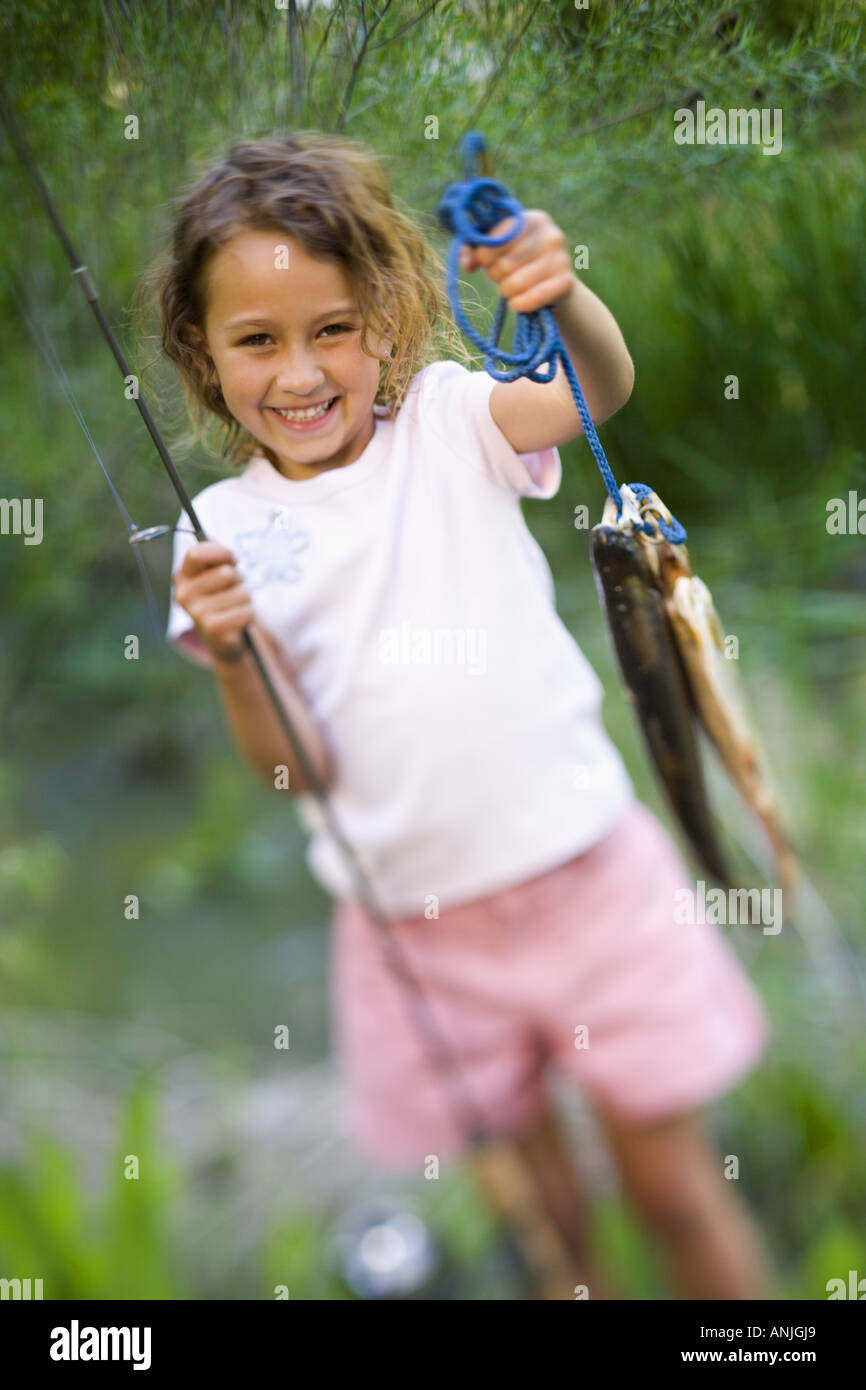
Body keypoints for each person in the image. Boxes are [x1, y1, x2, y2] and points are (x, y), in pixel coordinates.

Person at [151, 132, 774, 1299]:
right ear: (201, 350)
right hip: (416, 936)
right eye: (257, 340)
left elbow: (592, 390)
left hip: (586, 877)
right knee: (551, 1240)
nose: (298, 373)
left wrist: (562, 294)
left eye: (331, 328)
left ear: (386, 314)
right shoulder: (219, 535)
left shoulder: (447, 421)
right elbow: (299, 771)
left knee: (676, 1193)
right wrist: (235, 657)